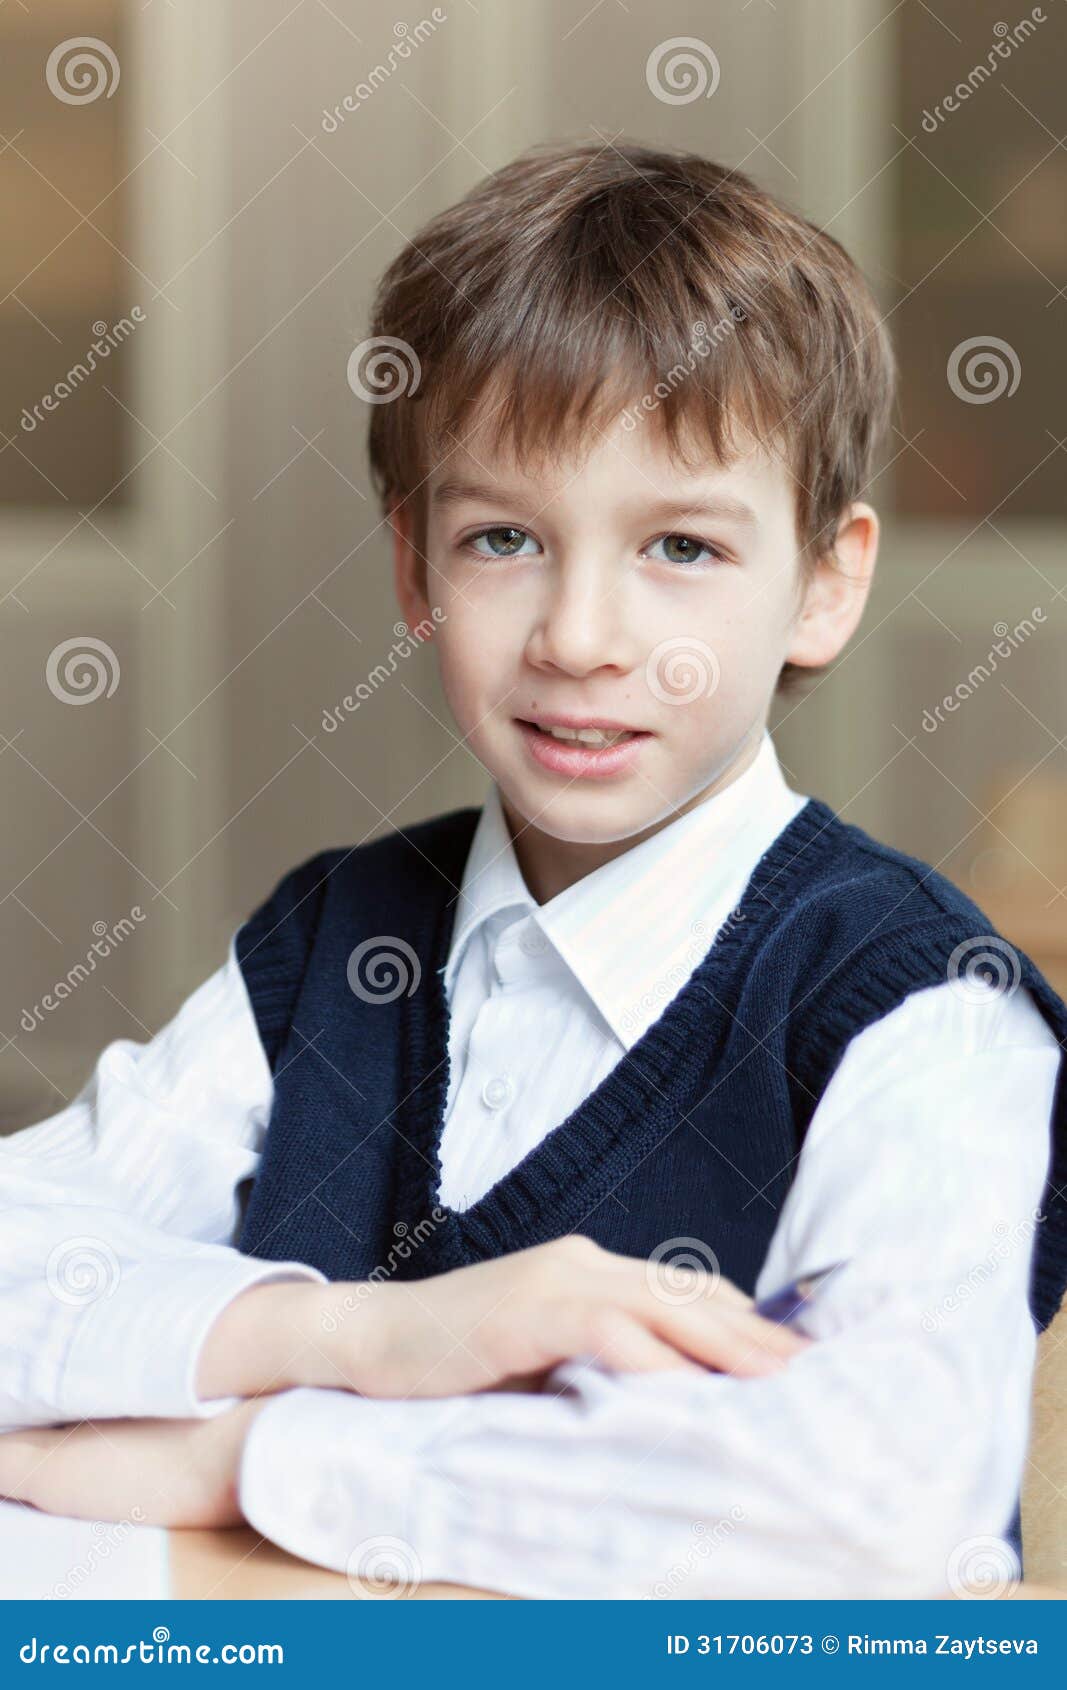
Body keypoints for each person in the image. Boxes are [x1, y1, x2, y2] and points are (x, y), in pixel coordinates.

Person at [2, 141, 1064, 1600]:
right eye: (504, 536)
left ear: (826, 580)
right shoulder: (336, 941)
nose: (579, 633)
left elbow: (875, 1506)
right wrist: (375, 1339)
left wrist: (250, 1455)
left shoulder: (922, 1006)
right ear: (413, 569)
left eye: (680, 546)